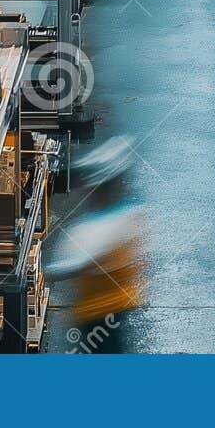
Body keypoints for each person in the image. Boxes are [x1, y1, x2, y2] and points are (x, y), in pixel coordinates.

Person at [47, 137, 145, 354]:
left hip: (101, 315)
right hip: (105, 313)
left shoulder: (109, 227)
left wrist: (48, 272)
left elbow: (81, 263)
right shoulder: (125, 216)